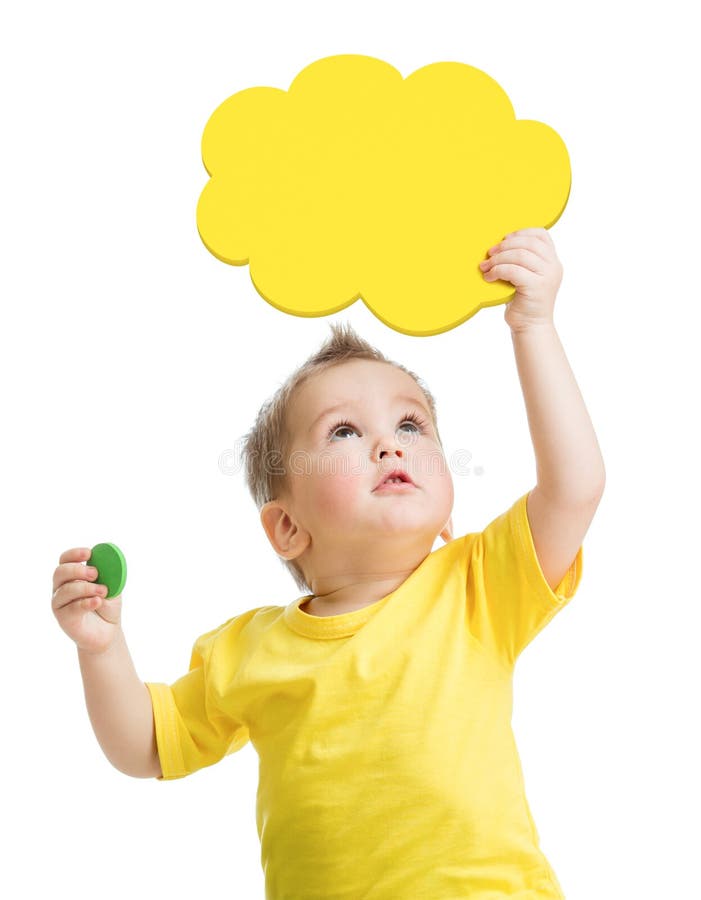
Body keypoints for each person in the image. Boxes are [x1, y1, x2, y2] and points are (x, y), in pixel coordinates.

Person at [52, 227, 605, 898]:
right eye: (344, 431)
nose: (389, 446)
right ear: (287, 527)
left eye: (410, 425)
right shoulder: (247, 650)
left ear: (446, 510)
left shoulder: (475, 587)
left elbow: (575, 486)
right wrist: (101, 647)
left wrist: (533, 328)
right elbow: (144, 746)